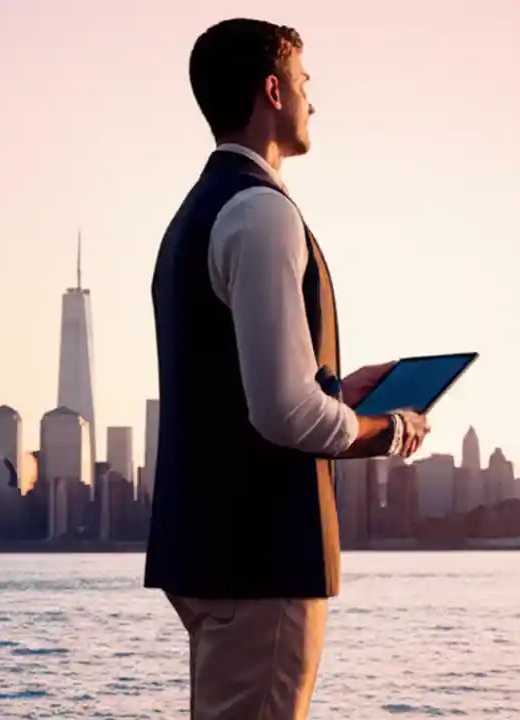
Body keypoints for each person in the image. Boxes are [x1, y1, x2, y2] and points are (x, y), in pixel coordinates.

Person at [145, 18, 432, 719]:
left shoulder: (191, 220)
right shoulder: (261, 213)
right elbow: (283, 414)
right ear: (273, 90)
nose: (312, 100)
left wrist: (335, 389)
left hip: (207, 550)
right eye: (305, 83)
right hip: (262, 557)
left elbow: (241, 388)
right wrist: (387, 429)